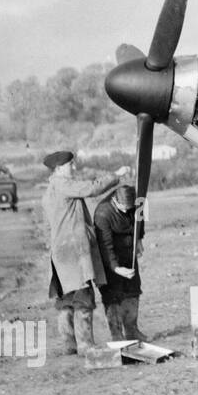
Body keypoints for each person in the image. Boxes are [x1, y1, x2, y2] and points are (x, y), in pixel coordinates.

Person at [40, 151, 118, 355]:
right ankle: (85, 345)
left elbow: (47, 227)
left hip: (60, 254)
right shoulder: (63, 184)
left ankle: (69, 345)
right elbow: (92, 188)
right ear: (58, 169)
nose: (73, 168)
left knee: (66, 300)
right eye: (70, 165)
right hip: (74, 253)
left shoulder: (49, 191)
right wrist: (115, 175)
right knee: (84, 297)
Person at [93, 184, 147, 341]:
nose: (126, 211)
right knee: (113, 294)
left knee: (133, 290)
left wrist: (139, 238)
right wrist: (116, 268)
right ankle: (117, 335)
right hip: (110, 258)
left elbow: (140, 219)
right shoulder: (103, 213)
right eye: (123, 208)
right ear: (115, 201)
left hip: (128, 252)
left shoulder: (139, 203)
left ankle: (132, 330)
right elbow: (105, 247)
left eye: (129, 208)